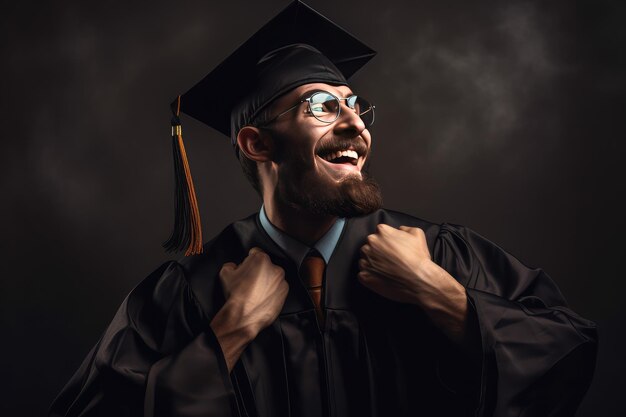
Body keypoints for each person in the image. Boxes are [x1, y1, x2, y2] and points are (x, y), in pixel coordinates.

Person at [49, 1, 598, 416]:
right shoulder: (194, 289)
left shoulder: (440, 255)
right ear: (257, 145)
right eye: (322, 106)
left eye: (357, 108)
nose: (355, 124)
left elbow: (565, 355)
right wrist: (229, 332)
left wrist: (438, 291)